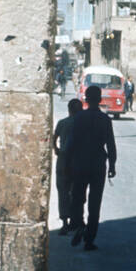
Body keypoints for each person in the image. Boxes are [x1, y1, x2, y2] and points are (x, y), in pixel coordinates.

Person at [63, 84, 117, 251]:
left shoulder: (79, 118)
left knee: (77, 197)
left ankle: (79, 225)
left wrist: (66, 163)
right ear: (100, 100)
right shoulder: (105, 120)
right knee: (95, 202)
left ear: (86, 99)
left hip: (80, 163)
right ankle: (89, 240)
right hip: (98, 164)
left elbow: (71, 143)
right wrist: (112, 165)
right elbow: (111, 145)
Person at [53, 98, 82, 234]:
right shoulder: (83, 124)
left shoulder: (62, 123)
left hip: (64, 160)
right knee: (77, 191)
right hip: (78, 160)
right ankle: (77, 221)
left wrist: (56, 149)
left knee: (63, 191)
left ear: (69, 110)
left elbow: (54, 138)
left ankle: (65, 223)